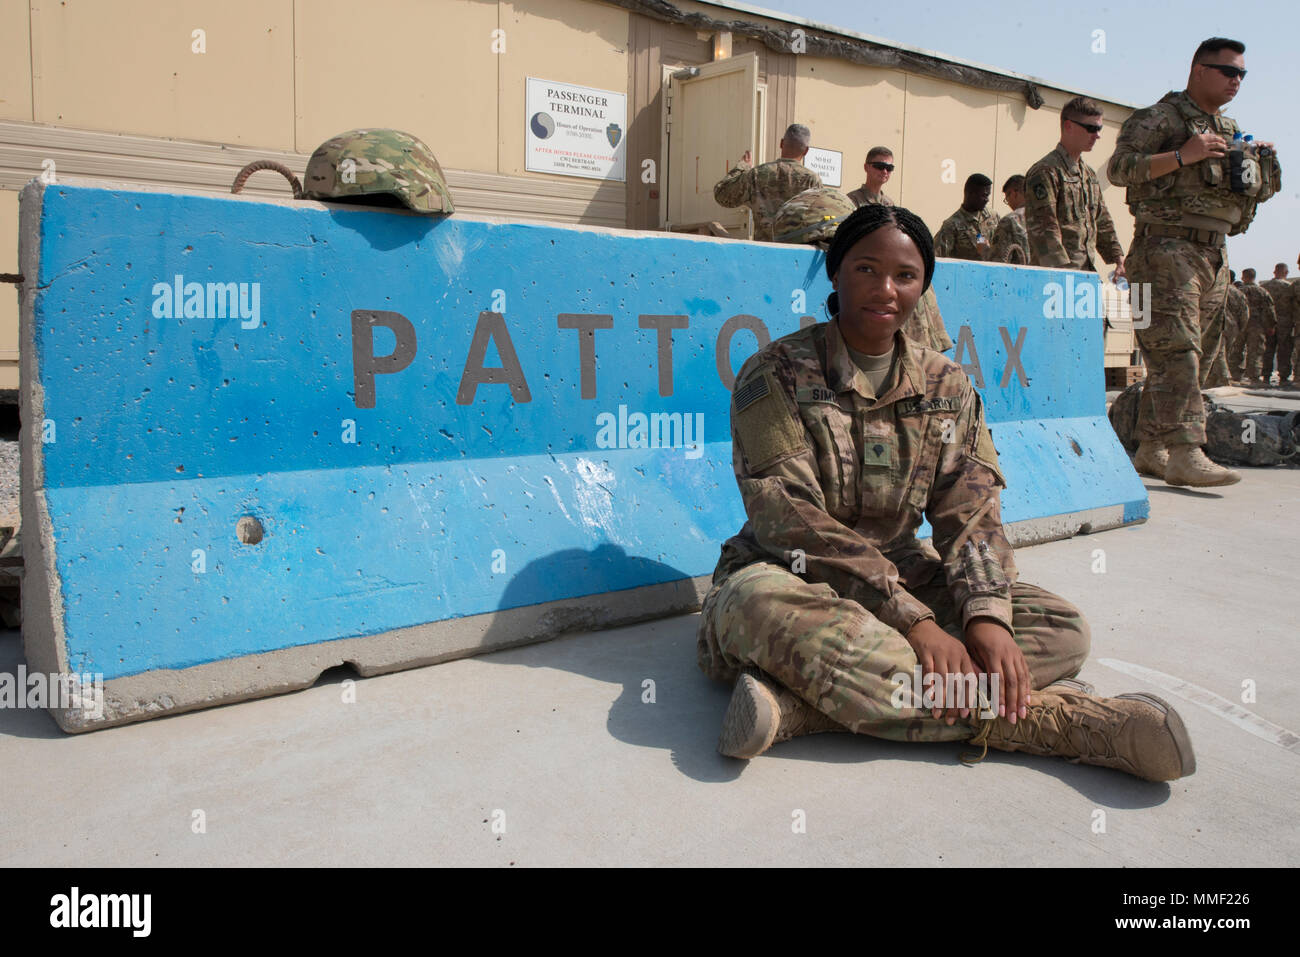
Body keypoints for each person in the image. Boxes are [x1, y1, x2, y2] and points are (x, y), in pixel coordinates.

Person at [696, 202, 1196, 782]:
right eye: (866, 269)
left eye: (905, 275)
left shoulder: (948, 386)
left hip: (904, 571)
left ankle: (812, 708)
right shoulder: (775, 372)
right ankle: (1042, 723)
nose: (886, 289)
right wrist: (916, 624)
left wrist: (985, 616)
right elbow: (789, 520)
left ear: (922, 286)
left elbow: (972, 513)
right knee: (757, 609)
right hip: (785, 574)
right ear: (835, 273)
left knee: (1060, 630)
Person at [1108, 37, 1281, 486]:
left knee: (1189, 358)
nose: (1236, 81)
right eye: (1228, 72)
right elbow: (1119, 168)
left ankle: (1151, 447)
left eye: (1242, 74)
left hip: (1214, 252)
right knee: (1178, 351)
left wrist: (1260, 164)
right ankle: (1186, 451)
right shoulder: (1159, 118)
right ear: (1198, 70)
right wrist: (1185, 155)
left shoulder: (1227, 127)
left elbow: (1249, 192)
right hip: (1164, 249)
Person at [1025, 97, 1126, 276]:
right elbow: (1045, 231)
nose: (1097, 135)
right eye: (1091, 128)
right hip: (1056, 278)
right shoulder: (1046, 172)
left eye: (1099, 129)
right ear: (1069, 126)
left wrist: (1118, 258)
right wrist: (1063, 275)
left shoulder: (1089, 175)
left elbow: (1102, 219)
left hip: (1084, 274)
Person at [714, 123, 822, 242]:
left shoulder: (756, 174)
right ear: (806, 151)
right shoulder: (812, 180)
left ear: (781, 143)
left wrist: (742, 166)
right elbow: (819, 220)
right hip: (797, 253)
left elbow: (722, 194)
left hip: (764, 253)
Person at [933, 174, 999, 261]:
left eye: (988, 195)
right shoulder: (952, 225)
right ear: (970, 193)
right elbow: (937, 258)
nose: (987, 200)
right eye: (984, 195)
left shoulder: (993, 216)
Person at [1238, 268, 1277, 387]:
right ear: (1254, 277)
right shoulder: (1262, 292)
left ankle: (1235, 375)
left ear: (1243, 277)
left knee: (1237, 350)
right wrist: (1271, 325)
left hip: (1240, 325)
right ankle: (1254, 377)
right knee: (1255, 351)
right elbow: (1269, 310)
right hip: (1256, 325)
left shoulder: (1238, 291)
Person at [1260, 263, 1296, 388]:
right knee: (1284, 350)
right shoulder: (1289, 287)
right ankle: (1284, 377)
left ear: (1274, 271)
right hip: (1284, 322)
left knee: (1268, 350)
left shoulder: (1264, 287)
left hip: (1268, 323)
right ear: (1286, 272)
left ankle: (1265, 377)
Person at [991, 175, 1029, 264]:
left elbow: (998, 260)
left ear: (1014, 193)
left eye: (1007, 198)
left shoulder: (1009, 221)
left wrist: (983, 249)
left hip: (1019, 275)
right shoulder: (1046, 215)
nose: (1008, 203)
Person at [1221, 271, 1250, 385]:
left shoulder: (1213, 289)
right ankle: (1225, 378)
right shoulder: (1237, 293)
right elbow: (1244, 314)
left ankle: (1218, 377)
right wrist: (1241, 328)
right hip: (1231, 326)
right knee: (1228, 353)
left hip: (1213, 324)